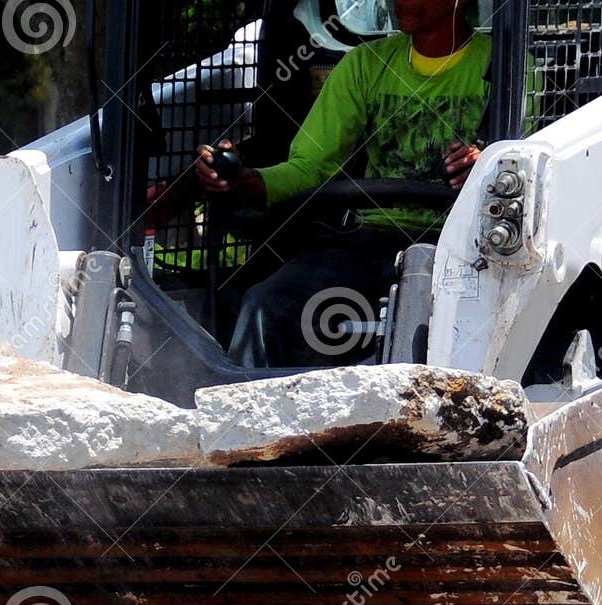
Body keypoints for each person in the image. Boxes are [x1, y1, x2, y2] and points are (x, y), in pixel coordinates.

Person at [195, 0, 490, 367]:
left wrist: (488, 163)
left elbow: (529, 160)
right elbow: (309, 167)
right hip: (371, 239)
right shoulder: (365, 65)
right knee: (266, 305)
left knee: (423, 326)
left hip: (464, 247)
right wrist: (242, 180)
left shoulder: (503, 67)